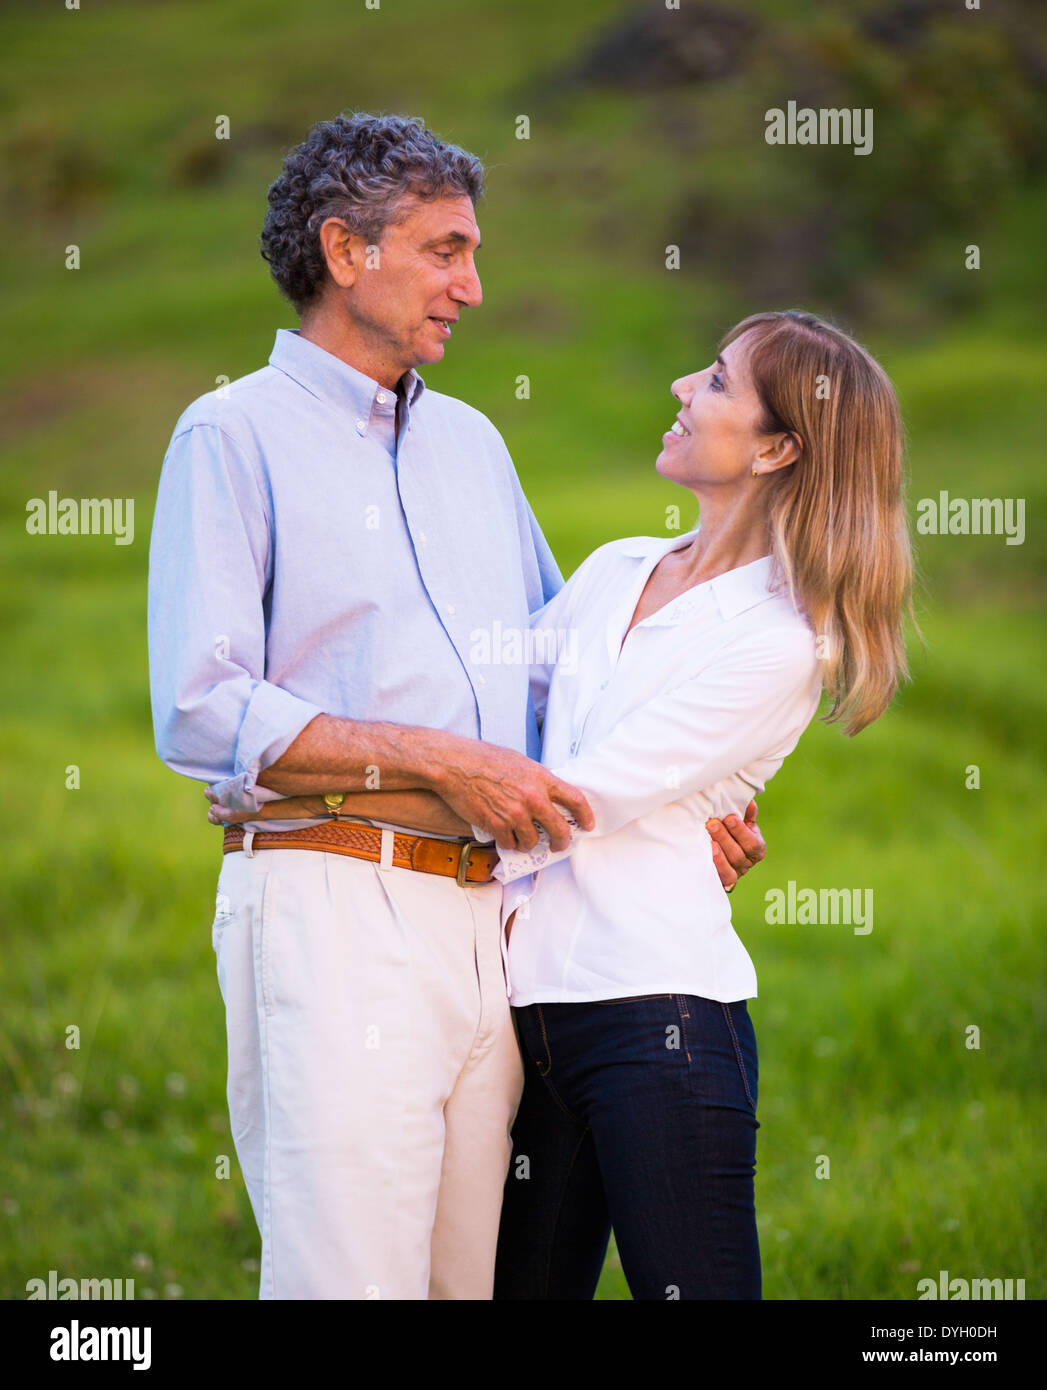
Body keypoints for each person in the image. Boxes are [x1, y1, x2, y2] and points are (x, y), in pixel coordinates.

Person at [147, 111, 761, 1301]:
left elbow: (561, 678)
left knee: (461, 1289)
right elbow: (200, 703)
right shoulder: (231, 434)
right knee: (349, 1282)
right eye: (445, 251)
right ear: (344, 252)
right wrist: (436, 758)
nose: (472, 288)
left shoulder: (475, 445)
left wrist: (674, 821)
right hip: (334, 902)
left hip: (495, 930)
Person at [259, 310, 912, 1300]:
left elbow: (573, 796)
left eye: (721, 381)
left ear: (780, 446)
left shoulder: (780, 642)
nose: (683, 388)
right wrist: (323, 718)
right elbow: (488, 703)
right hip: (529, 1020)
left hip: (658, 1020)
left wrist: (348, 791)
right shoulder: (615, 570)